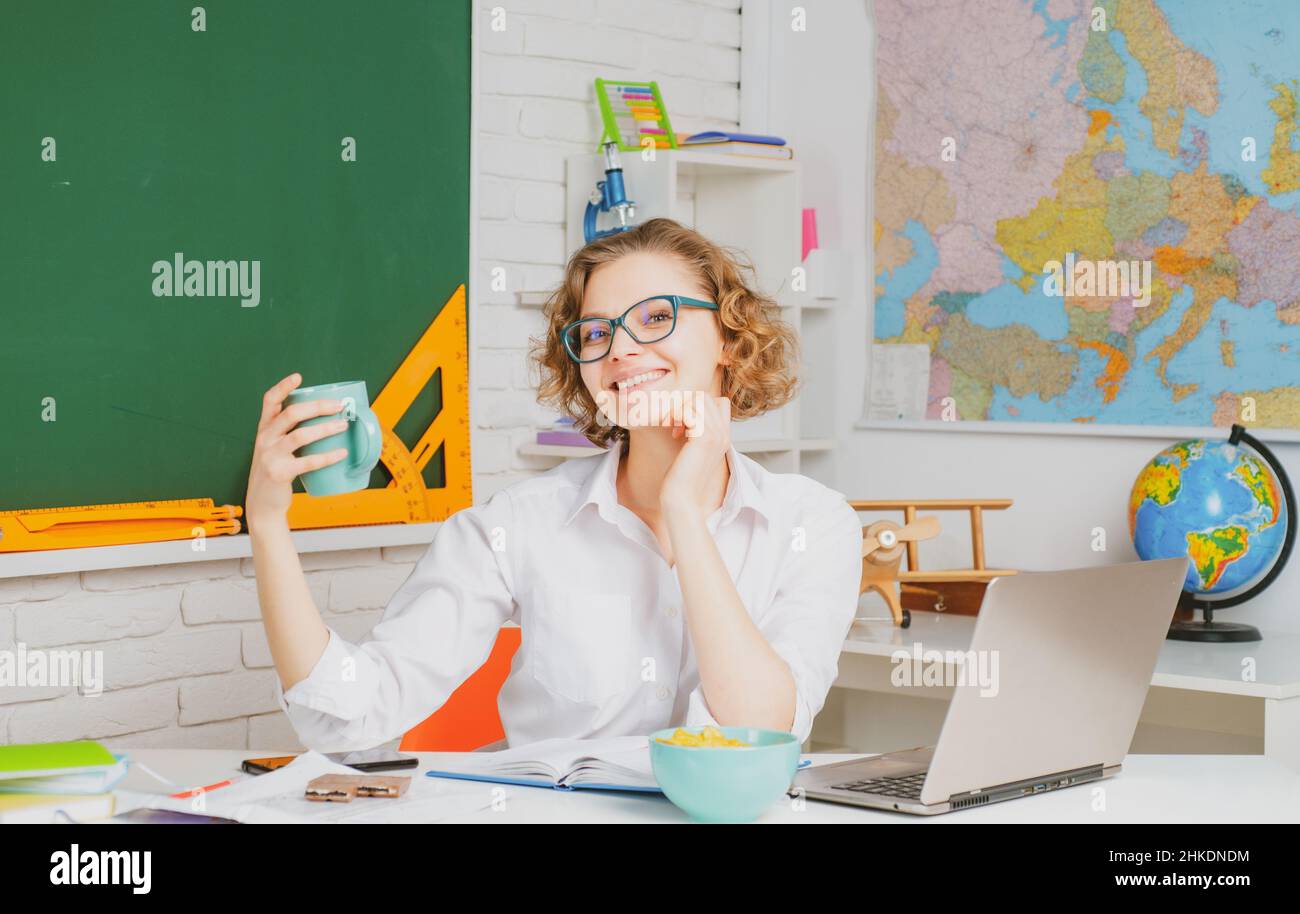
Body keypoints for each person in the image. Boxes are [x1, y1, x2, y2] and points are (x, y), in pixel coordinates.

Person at [246, 218, 864, 752]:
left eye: (656, 317)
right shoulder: (519, 524)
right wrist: (269, 524)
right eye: (596, 332)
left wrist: (682, 511)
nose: (620, 348)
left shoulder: (813, 525)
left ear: (728, 337)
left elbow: (754, 731)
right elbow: (344, 714)